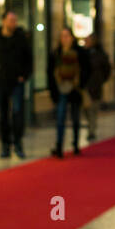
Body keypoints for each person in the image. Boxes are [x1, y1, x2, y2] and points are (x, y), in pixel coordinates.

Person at [0, 9, 32, 159]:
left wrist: (24, 76)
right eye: (11, 20)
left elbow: (29, 60)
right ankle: (5, 145)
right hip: (1, 83)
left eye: (15, 20)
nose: (13, 23)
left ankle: (18, 144)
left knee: (17, 113)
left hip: (17, 82)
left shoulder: (21, 39)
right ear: (3, 21)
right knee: (3, 116)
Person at [48, 26, 87, 157]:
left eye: (67, 36)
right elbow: (51, 72)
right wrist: (53, 90)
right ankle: (59, 146)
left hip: (75, 89)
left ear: (72, 37)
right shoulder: (56, 53)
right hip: (61, 89)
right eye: (62, 36)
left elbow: (86, 69)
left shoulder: (79, 53)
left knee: (76, 118)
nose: (64, 39)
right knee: (60, 118)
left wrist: (81, 84)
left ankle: (75, 144)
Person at [83, 32, 111, 141]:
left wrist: (101, 79)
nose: (86, 42)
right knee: (86, 108)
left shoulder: (100, 54)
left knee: (93, 108)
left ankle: (92, 130)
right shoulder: (83, 53)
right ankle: (91, 126)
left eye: (88, 40)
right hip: (85, 85)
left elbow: (107, 69)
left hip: (95, 85)